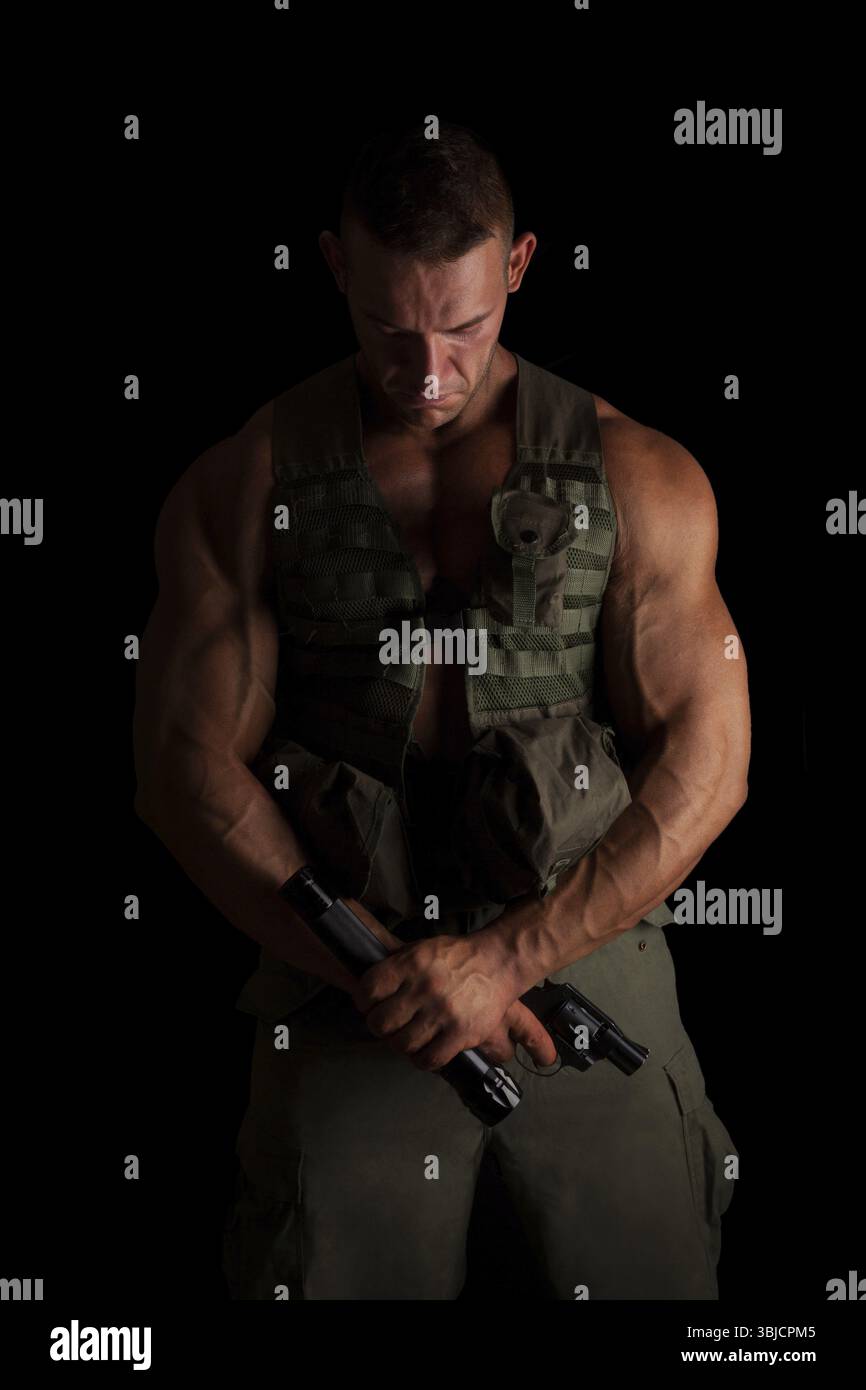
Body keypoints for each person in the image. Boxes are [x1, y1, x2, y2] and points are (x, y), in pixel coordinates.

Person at [133, 121, 749, 1300]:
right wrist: (387, 973)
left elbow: (710, 761)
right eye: (388, 330)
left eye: (463, 329)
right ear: (333, 268)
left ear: (517, 267)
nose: (428, 374)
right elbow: (181, 766)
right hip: (336, 965)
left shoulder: (638, 475)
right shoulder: (249, 481)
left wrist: (503, 959)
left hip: (584, 944)